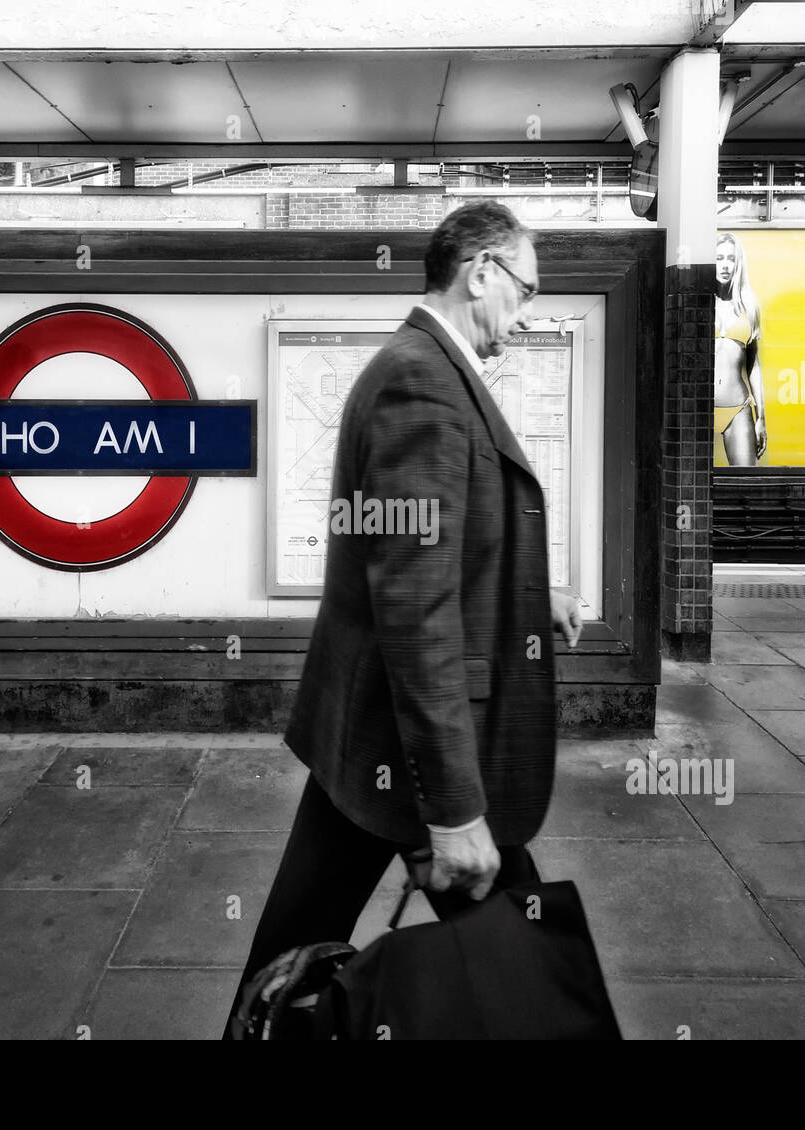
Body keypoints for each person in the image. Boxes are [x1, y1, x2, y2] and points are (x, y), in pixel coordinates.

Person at [224, 201, 582, 1036]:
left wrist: (538, 598)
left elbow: (443, 558)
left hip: (376, 743)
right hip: (410, 748)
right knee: (527, 968)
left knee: (284, 963)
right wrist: (455, 810)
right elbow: (415, 608)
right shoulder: (422, 382)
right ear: (481, 273)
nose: (524, 320)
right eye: (525, 293)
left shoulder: (425, 371)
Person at [713, 232, 767, 466]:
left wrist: (762, 418)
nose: (725, 265)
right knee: (691, 485)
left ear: (738, 263)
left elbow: (754, 366)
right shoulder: (699, 302)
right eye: (719, 258)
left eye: (731, 259)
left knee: (745, 485)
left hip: (738, 408)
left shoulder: (750, 306)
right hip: (697, 410)